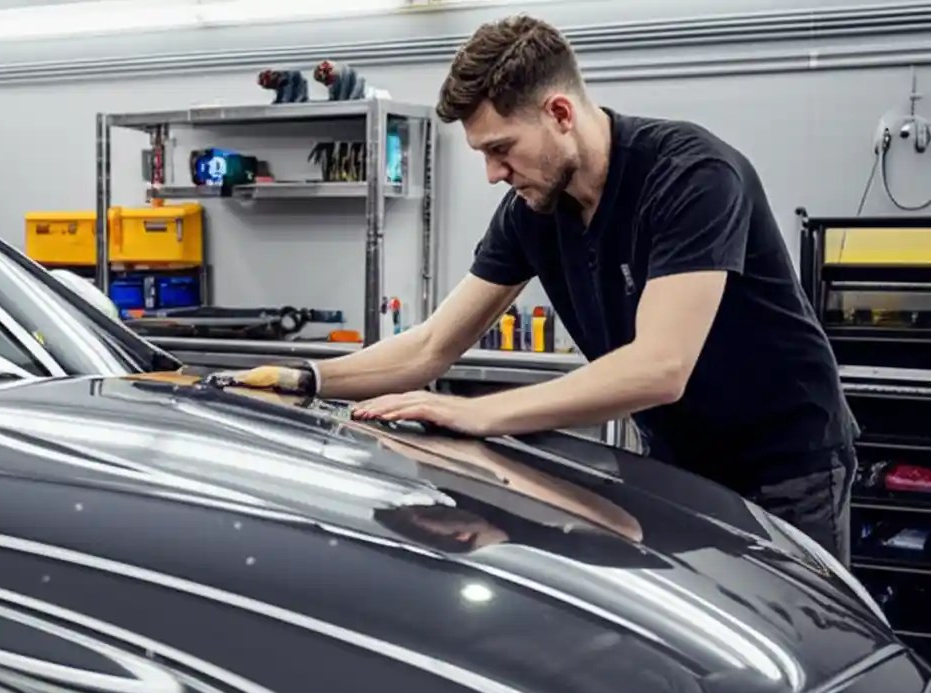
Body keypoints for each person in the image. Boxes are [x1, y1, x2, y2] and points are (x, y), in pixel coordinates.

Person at [205, 14, 860, 561]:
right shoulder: (533, 212)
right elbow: (430, 346)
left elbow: (661, 367)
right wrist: (305, 378)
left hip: (787, 464)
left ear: (560, 113)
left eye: (501, 148)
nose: (493, 173)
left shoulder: (692, 176)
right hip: (678, 458)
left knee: (800, 648)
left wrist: (480, 413)